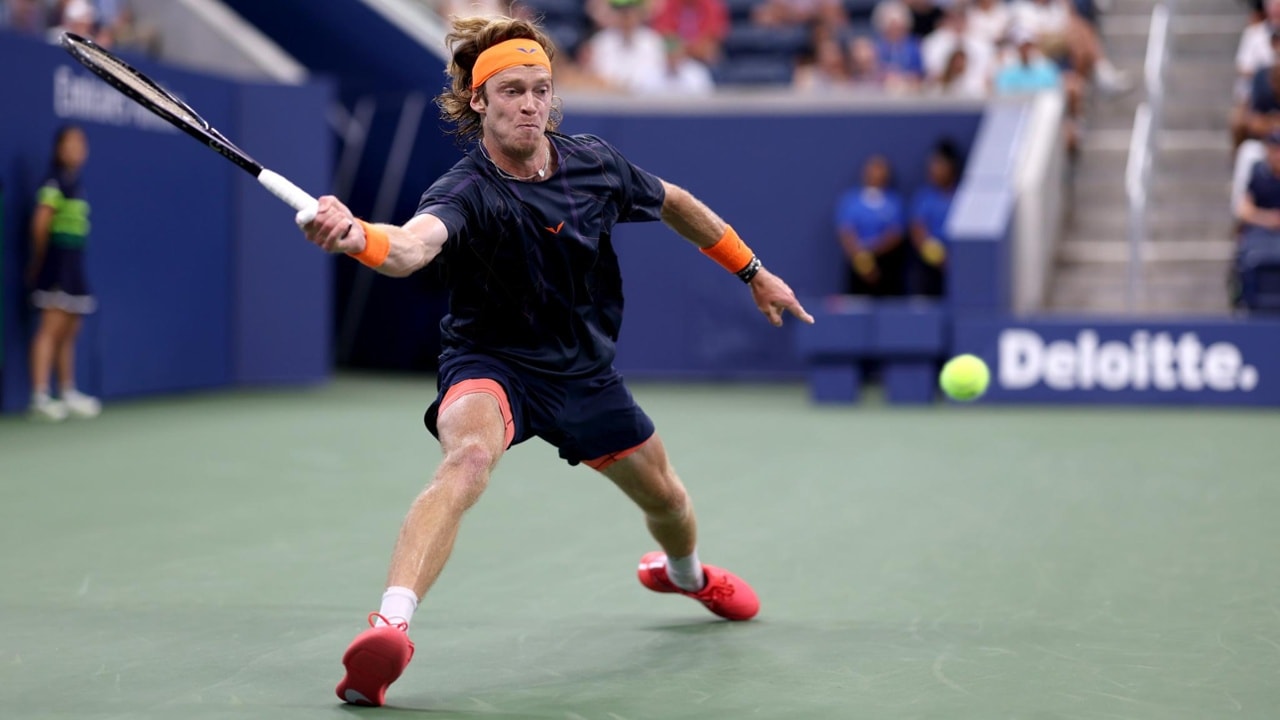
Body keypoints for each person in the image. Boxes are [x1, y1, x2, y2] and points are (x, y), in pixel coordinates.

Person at [298, 14, 813, 708]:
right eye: (512, 90)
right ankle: (390, 628)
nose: (530, 104)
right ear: (479, 100)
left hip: (584, 374)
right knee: (467, 461)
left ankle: (685, 575)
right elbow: (413, 247)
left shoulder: (594, 163)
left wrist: (751, 270)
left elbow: (677, 205)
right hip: (492, 362)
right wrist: (357, 235)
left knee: (669, 500)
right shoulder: (464, 189)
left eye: (540, 89)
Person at [27, 124, 101, 422]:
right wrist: (42, 260)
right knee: (50, 328)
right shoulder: (53, 181)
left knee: (70, 329)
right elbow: (40, 223)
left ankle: (67, 391)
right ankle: (40, 395)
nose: (78, 148)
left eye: (82, 143)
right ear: (59, 148)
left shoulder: (76, 182)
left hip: (74, 264)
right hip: (56, 263)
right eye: (72, 143)